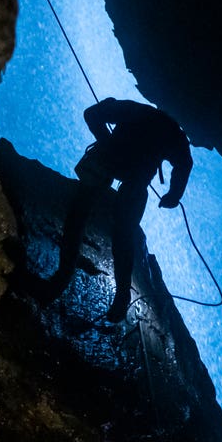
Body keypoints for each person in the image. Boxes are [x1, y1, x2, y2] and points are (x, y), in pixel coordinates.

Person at [41, 97, 193, 323]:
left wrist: (107, 142)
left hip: (110, 162)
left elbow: (92, 113)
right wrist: (173, 195)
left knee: (80, 212)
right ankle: (122, 297)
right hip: (135, 179)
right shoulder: (174, 134)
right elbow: (184, 164)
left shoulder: (134, 110)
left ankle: (62, 277)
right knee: (123, 235)